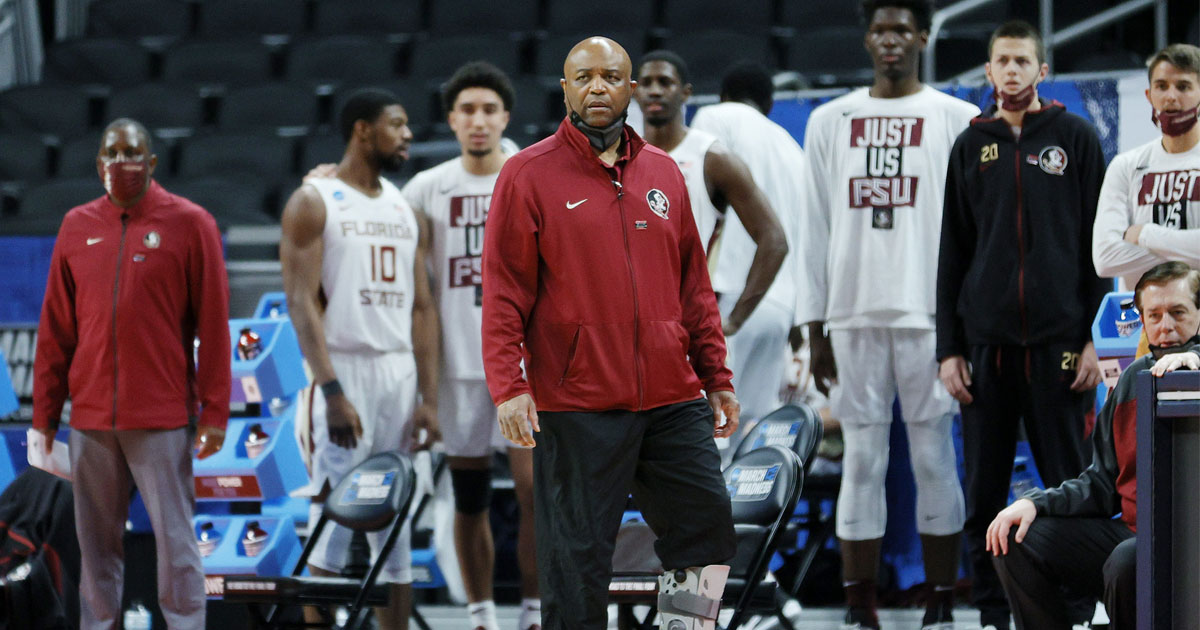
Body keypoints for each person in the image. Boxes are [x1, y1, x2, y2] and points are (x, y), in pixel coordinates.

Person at [481, 37, 739, 630]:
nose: (598, 87)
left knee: (706, 529)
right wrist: (508, 386)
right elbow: (503, 293)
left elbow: (694, 289)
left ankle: (683, 626)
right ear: (566, 88)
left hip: (673, 396)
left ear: (629, 89)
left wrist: (716, 377)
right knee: (576, 562)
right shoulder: (526, 173)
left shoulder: (664, 172)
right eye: (584, 77)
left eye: (611, 77)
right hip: (577, 403)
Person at [795, 2, 979, 628]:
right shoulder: (829, 119)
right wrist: (813, 323)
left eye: (902, 29)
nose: (891, 40)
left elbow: (973, 230)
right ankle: (857, 605)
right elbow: (813, 224)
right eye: (880, 30)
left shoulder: (958, 116)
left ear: (923, 36)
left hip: (931, 313)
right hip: (850, 312)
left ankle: (944, 603)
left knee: (934, 456)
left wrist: (967, 323)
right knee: (863, 459)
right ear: (866, 38)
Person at [936, 20, 1110, 630]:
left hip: (1062, 346)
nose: (1011, 71)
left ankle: (1076, 609)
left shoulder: (1077, 138)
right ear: (988, 72)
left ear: (1043, 70)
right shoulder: (970, 144)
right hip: (986, 350)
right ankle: (989, 610)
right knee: (983, 490)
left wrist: (1094, 335)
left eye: (1022, 61)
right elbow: (952, 253)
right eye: (1001, 62)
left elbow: (1100, 247)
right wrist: (948, 349)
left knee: (1071, 484)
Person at [33, 118, 231, 630]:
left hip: (161, 419)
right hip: (92, 421)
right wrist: (43, 420)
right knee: (95, 551)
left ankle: (186, 625)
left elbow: (212, 324)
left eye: (132, 152)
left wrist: (215, 413)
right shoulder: (77, 225)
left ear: (152, 162)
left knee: (177, 546)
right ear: (98, 162)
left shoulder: (191, 223)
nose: (122, 163)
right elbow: (55, 328)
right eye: (112, 153)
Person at [281, 89, 438, 630]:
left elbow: (422, 308)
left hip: (399, 372)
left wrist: (428, 400)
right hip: (344, 369)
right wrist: (330, 390)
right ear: (363, 131)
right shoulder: (314, 200)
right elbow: (300, 302)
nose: (409, 134)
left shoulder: (404, 207)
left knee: (395, 531)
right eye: (398, 124)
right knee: (333, 521)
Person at [399, 61, 541, 630]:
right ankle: (482, 615)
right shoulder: (425, 188)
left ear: (505, 117)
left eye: (489, 110)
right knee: (469, 495)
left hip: (527, 366)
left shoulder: (533, 175)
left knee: (536, 497)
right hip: (459, 365)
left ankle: (533, 611)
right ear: (452, 120)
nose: (478, 120)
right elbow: (417, 294)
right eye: (467, 110)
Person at [985, 261, 1200, 630]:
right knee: (1015, 537)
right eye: (1155, 315)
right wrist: (1032, 502)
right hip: (1135, 533)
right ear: (1143, 321)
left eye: (1178, 313)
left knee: (1128, 561)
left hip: (1189, 542)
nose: (1166, 326)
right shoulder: (1132, 380)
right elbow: (1102, 484)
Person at [686, 61, 805, 422]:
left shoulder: (715, 116)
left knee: (710, 428)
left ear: (724, 97)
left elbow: (695, 196)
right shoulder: (790, 145)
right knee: (750, 429)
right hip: (779, 304)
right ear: (769, 105)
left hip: (728, 297)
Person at [1093, 43, 1200, 291]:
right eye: (1161, 86)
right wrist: (1189, 250)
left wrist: (1145, 235)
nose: (1171, 96)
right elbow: (1105, 259)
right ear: (1148, 95)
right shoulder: (1125, 166)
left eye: (1183, 86)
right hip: (1142, 322)